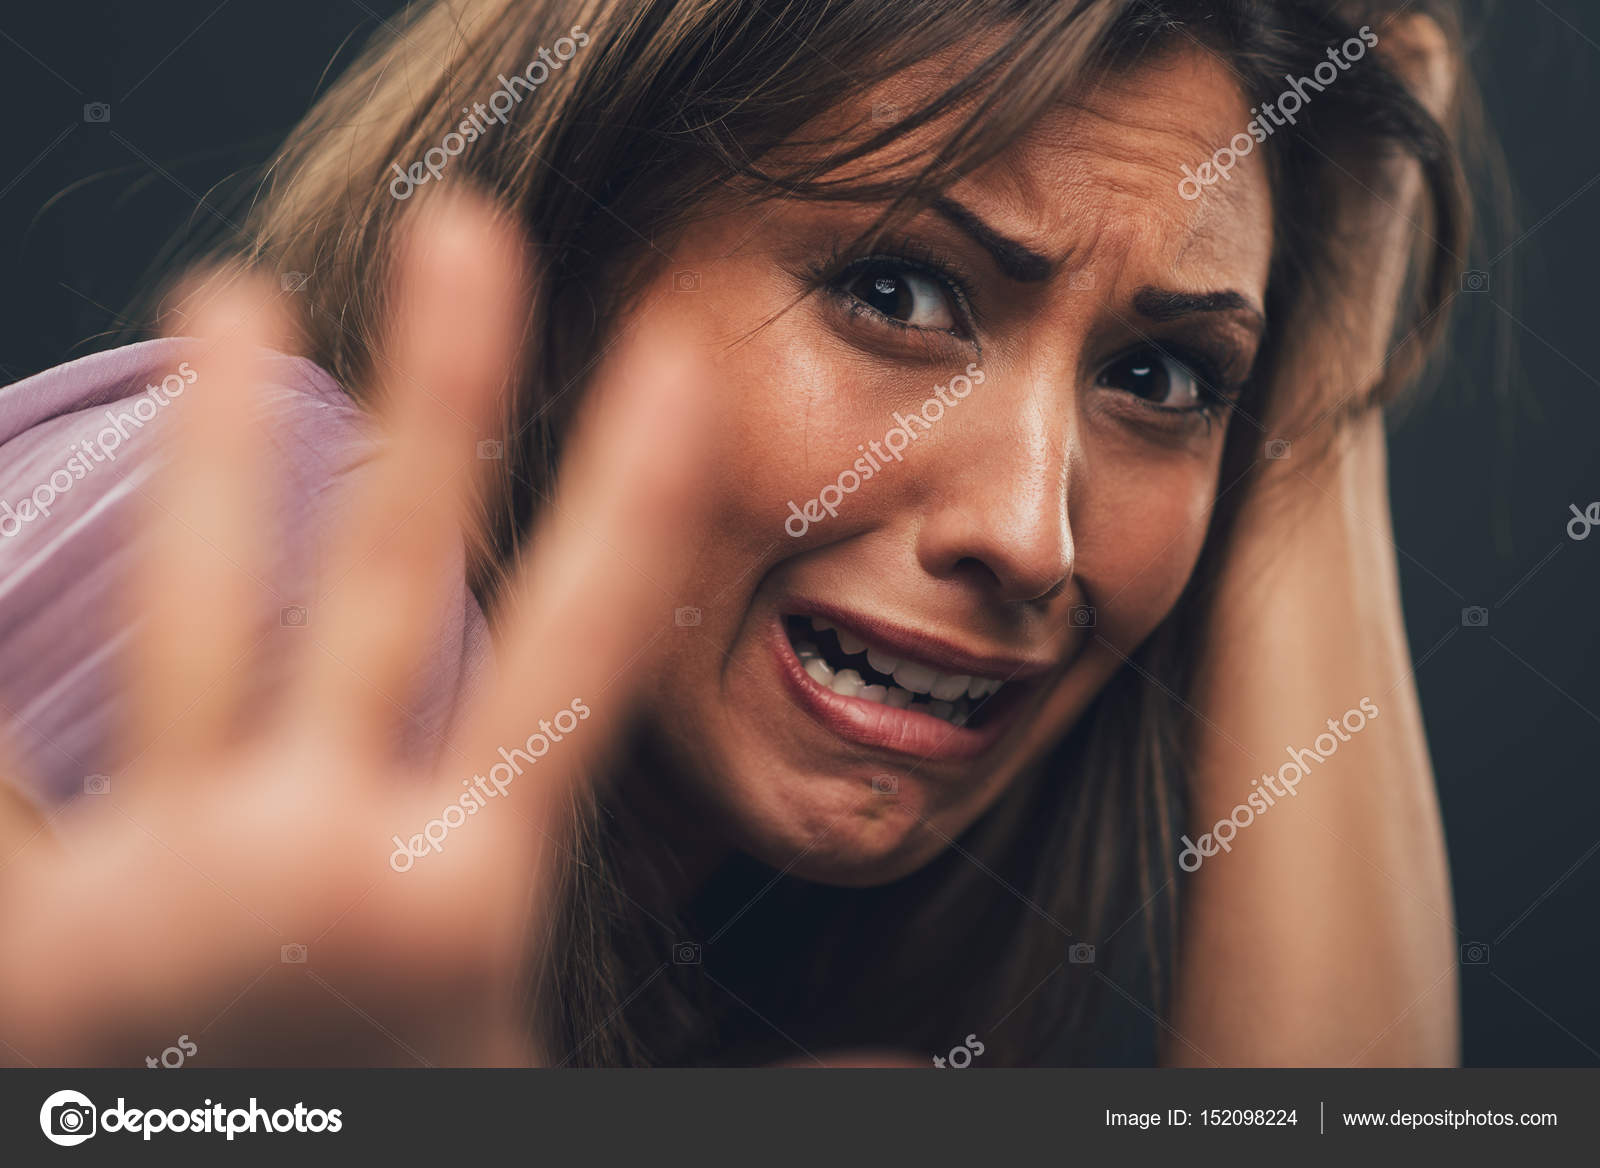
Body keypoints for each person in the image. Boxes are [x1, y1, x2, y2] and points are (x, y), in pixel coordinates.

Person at [0, 0, 1470, 1066]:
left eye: (1162, 380)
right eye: (899, 292)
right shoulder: (289, 540)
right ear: (571, 269)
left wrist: (1311, 409)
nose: (1032, 536)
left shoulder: (729, 927)